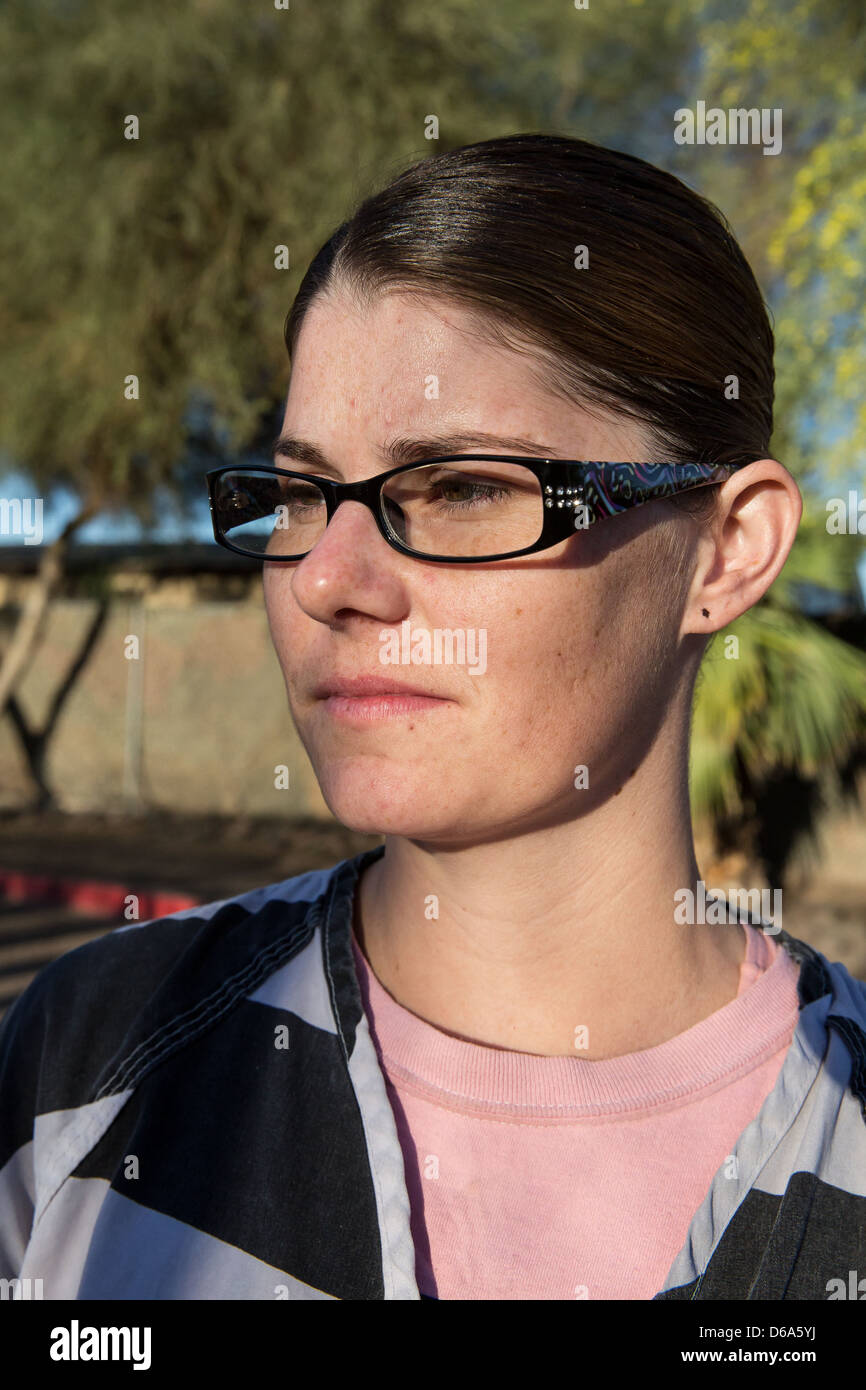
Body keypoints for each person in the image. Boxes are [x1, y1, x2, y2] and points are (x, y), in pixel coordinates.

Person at [1, 133, 865, 1302]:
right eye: (300, 495)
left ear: (726, 547)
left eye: (460, 487)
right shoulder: (79, 1064)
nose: (326, 578)